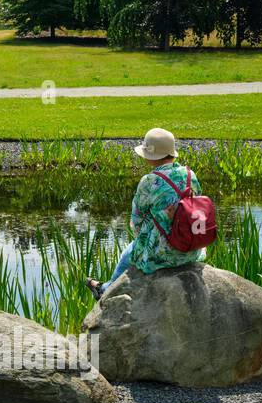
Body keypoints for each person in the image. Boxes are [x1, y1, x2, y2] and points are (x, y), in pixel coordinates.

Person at [86, 127, 207, 298]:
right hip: (191, 249)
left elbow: (136, 221)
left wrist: (142, 238)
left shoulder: (149, 181)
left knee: (131, 250)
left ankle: (106, 289)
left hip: (163, 256)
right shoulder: (189, 174)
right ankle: (106, 287)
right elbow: (196, 207)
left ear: (152, 157)